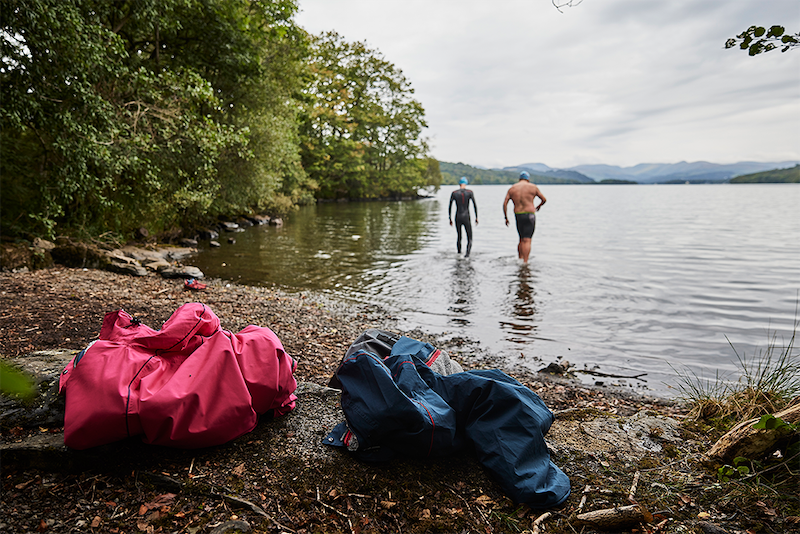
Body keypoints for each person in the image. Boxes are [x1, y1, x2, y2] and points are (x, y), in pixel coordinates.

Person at [503, 171, 547, 263]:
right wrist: (538, 206)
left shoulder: (512, 188)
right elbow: (544, 199)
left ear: (519, 179)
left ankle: (520, 259)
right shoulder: (533, 187)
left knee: (521, 239)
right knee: (527, 240)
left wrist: (506, 217)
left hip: (518, 215)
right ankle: (525, 263)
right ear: (528, 179)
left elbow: (505, 203)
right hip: (530, 215)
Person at [449, 177, 478, 257]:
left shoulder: (454, 193)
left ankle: (459, 254)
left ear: (459, 184)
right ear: (466, 184)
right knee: (470, 237)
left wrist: (450, 218)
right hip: (466, 216)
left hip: (457, 217)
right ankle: (467, 255)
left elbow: (450, 206)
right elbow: (474, 205)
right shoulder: (470, 192)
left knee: (459, 236)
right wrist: (476, 217)